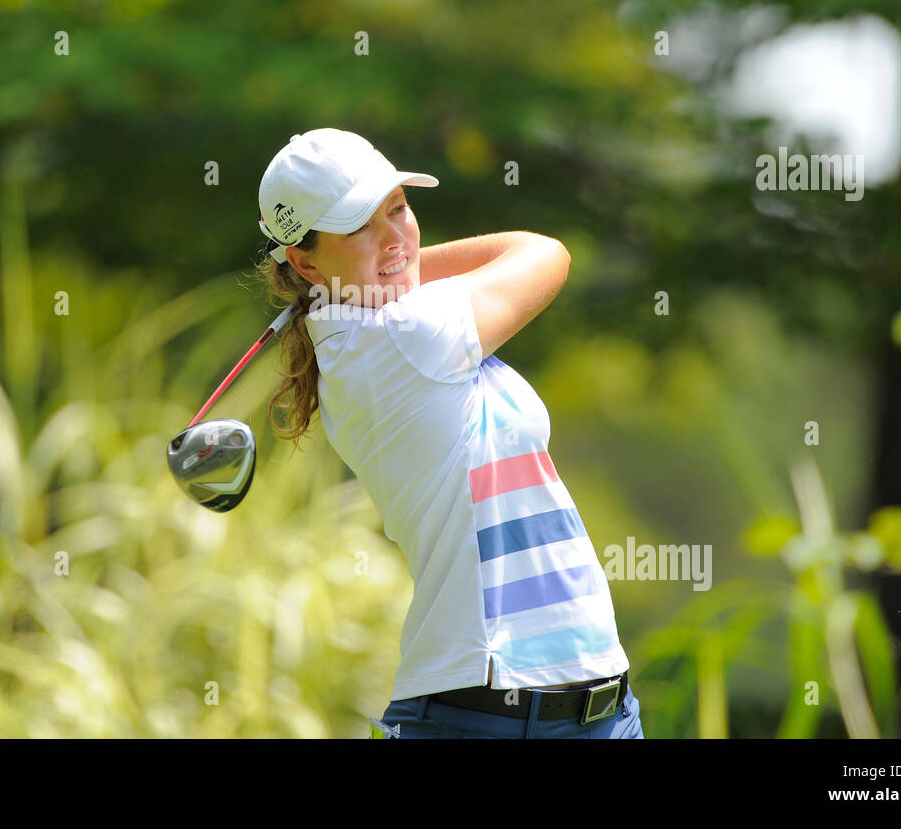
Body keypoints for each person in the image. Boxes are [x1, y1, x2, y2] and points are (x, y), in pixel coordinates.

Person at [252, 127, 643, 738]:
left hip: (603, 711)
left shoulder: (366, 334)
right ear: (304, 262)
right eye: (359, 228)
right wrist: (397, 264)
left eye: (398, 209)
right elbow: (543, 252)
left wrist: (374, 266)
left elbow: (403, 268)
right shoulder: (407, 335)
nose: (393, 235)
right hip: (488, 718)